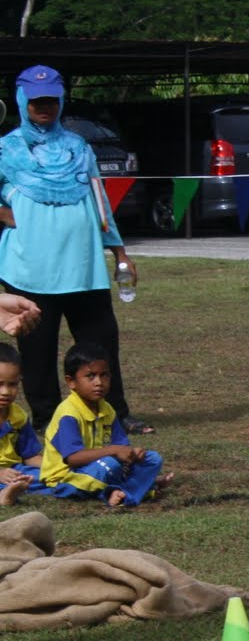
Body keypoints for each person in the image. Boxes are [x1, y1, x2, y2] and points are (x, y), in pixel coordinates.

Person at [0, 65, 151, 434]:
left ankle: (113, 412)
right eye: (36, 101)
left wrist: (120, 253)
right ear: (22, 101)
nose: (44, 107)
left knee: (102, 344)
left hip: (83, 267)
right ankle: (47, 418)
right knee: (36, 350)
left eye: (51, 99)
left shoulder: (78, 147)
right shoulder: (6, 149)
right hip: (29, 269)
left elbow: (99, 202)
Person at [40, 342, 170, 508]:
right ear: (71, 381)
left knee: (152, 459)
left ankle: (123, 492)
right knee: (109, 464)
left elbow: (121, 448)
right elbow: (73, 458)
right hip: (66, 479)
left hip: (98, 468)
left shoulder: (107, 410)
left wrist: (133, 454)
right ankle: (136, 490)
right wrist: (115, 451)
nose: (99, 382)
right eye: (90, 376)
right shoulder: (68, 414)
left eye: (104, 375)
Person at [0, 341, 45, 505]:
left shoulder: (18, 417)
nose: (5, 392)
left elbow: (30, 455)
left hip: (15, 471)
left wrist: (53, 466)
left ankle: (13, 489)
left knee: (47, 477)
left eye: (12, 385)